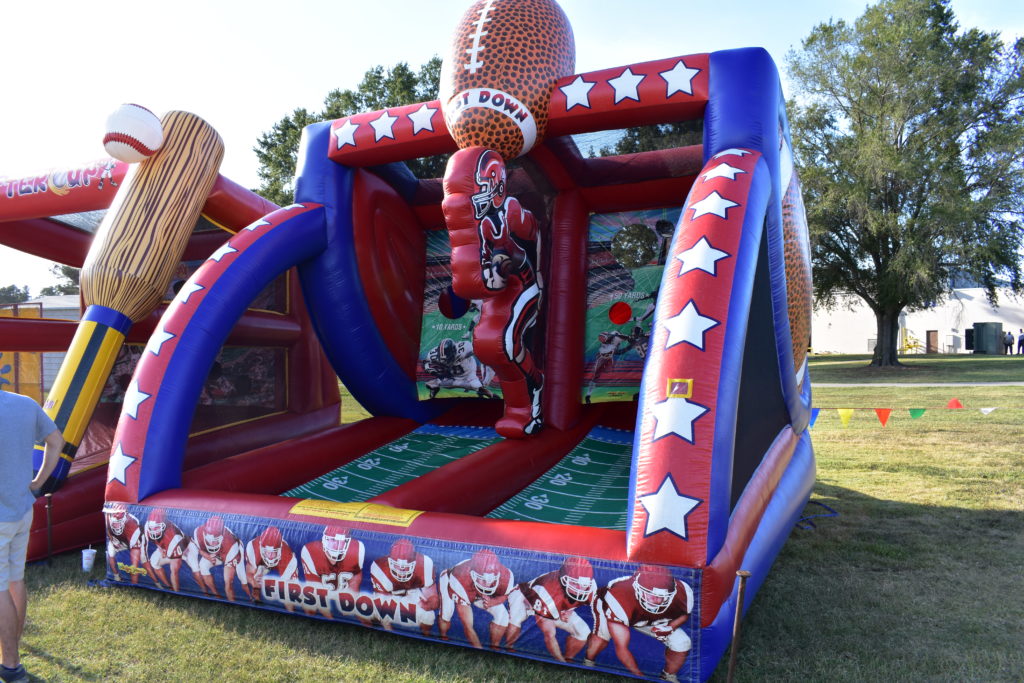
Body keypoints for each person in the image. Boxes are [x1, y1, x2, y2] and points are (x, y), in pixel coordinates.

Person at [0, 388, 64, 683]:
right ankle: (12, 644)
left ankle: (11, 665)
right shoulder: (25, 404)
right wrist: (39, 480)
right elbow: (56, 441)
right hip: (22, 510)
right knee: (15, 580)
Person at [584, 565, 694, 682]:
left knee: (682, 642)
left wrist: (671, 627)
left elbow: (685, 613)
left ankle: (668, 675)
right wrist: (640, 677)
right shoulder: (618, 598)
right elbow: (622, 648)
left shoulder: (683, 592)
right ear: (638, 589)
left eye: (661, 597)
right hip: (613, 606)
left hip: (645, 616)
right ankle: (588, 662)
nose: (656, 601)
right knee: (601, 639)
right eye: (650, 595)